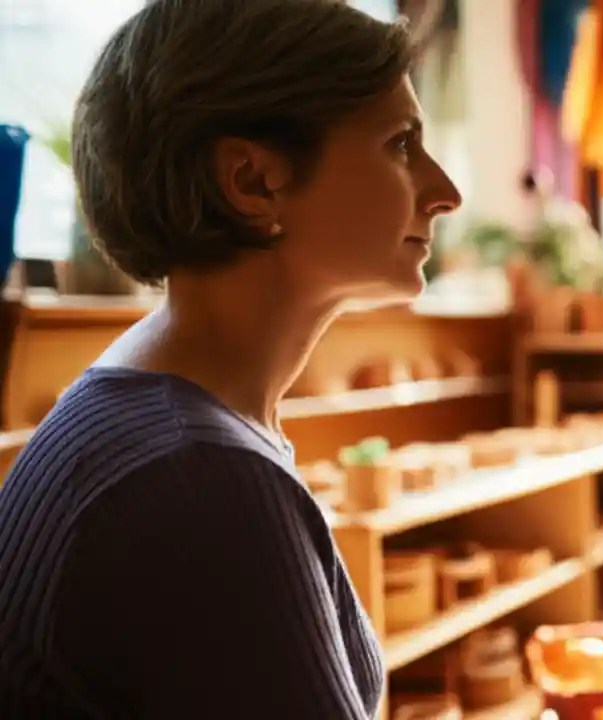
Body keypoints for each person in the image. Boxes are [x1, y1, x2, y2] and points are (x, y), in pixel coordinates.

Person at [0, 1, 461, 717]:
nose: (445, 193)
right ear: (251, 182)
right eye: (400, 144)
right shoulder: (199, 480)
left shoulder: (156, 410)